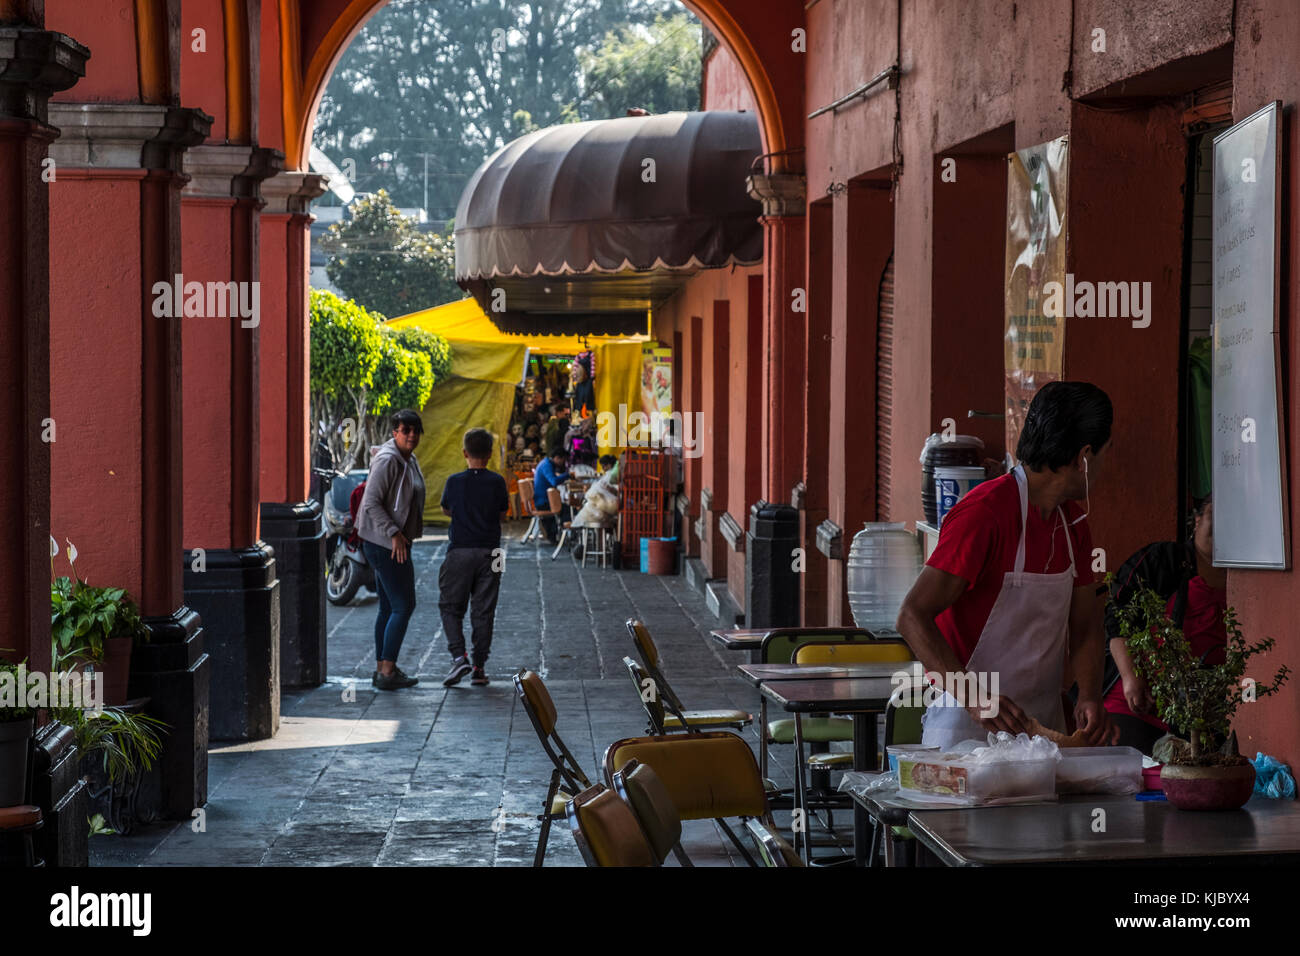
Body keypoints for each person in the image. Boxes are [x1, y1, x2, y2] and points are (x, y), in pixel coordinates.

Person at [897, 381, 1119, 749]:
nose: (1105, 466)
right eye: (1106, 453)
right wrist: (974, 697)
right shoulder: (984, 514)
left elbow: (1085, 626)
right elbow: (911, 616)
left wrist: (1090, 696)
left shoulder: (1074, 524)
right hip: (965, 731)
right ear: (1084, 456)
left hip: (1043, 729)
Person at [1102, 497, 1225, 753]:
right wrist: (1130, 677)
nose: (1226, 524)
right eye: (1217, 513)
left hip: (1205, 715)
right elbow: (1118, 613)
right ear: (1198, 519)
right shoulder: (1164, 559)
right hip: (1140, 702)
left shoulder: (1251, 574)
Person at [356, 409, 426, 690]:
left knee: (388, 607)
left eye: (415, 430)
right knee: (404, 605)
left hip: (387, 542)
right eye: (404, 430)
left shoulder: (409, 459)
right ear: (394, 432)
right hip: (386, 544)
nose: (410, 435)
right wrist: (395, 534)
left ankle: (383, 669)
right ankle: (387, 672)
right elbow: (371, 503)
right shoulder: (388, 460)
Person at [439, 428, 510, 687]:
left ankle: (459, 657)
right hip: (493, 552)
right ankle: (479, 667)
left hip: (459, 550)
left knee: (450, 607)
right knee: (484, 610)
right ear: (490, 455)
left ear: (464, 453)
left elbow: (447, 509)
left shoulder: (454, 481)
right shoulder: (498, 482)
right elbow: (503, 514)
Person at [533, 448, 569, 544]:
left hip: (544, 499)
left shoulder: (546, 463)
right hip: (543, 501)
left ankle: (560, 534)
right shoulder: (547, 465)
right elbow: (554, 481)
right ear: (557, 458)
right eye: (563, 460)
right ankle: (565, 533)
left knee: (566, 507)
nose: (563, 463)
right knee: (568, 509)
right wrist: (567, 475)